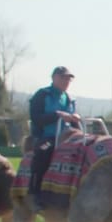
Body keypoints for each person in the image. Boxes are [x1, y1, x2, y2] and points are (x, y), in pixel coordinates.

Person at [26, 66, 81, 211]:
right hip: (46, 137)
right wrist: (57, 115)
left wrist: (79, 127)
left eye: (69, 78)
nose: (66, 81)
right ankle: (34, 193)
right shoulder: (42, 95)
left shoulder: (70, 98)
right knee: (44, 152)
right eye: (63, 77)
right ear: (54, 78)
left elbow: (73, 121)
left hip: (68, 137)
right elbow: (35, 118)